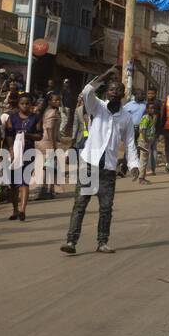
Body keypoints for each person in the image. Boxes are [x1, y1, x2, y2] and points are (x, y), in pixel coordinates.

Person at [61, 68, 142, 254]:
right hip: (89, 164)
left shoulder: (126, 118)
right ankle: (71, 242)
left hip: (108, 168)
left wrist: (134, 165)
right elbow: (87, 91)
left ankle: (102, 242)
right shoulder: (97, 107)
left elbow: (130, 143)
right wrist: (103, 77)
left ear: (123, 94)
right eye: (112, 89)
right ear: (106, 92)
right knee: (80, 204)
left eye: (118, 90)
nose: (115, 92)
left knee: (106, 208)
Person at [3, 92, 44, 220]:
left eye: (27, 103)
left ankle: (22, 210)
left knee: (24, 181)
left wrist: (27, 135)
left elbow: (39, 136)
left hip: (28, 152)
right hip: (14, 152)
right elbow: (9, 134)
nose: (25, 106)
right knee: (14, 183)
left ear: (31, 105)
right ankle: (15, 210)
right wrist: (10, 149)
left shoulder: (36, 118)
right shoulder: (12, 118)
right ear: (18, 104)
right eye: (22, 103)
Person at [136, 99, 158, 184]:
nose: (152, 110)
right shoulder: (146, 117)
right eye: (151, 108)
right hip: (144, 141)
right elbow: (143, 130)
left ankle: (142, 177)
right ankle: (141, 178)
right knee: (143, 160)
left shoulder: (150, 117)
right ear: (147, 109)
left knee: (144, 160)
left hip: (146, 141)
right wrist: (146, 140)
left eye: (154, 108)